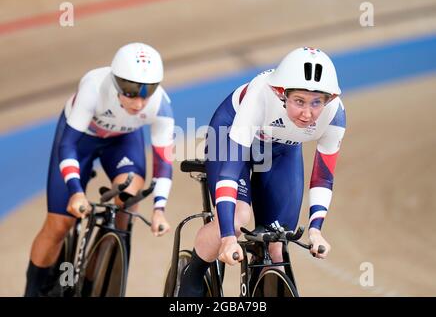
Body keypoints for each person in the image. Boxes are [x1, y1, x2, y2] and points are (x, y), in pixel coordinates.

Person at [178, 47, 346, 296]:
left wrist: (315, 230)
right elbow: (229, 172)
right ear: (281, 94)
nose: (308, 113)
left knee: (278, 241)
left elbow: (322, 177)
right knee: (238, 218)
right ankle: (192, 276)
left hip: (281, 150)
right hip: (230, 135)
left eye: (316, 102)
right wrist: (227, 237)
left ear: (329, 99)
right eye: (299, 101)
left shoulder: (334, 115)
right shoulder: (260, 95)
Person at [24, 42, 174, 296]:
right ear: (116, 83)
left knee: (128, 203)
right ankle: (33, 291)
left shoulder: (161, 105)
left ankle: (95, 279)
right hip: (81, 141)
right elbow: (68, 145)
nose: (138, 103)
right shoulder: (93, 88)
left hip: (122, 142)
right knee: (60, 223)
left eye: (146, 93)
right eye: (130, 92)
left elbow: (164, 162)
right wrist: (75, 190)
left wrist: (159, 209)